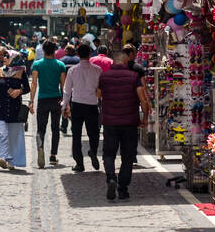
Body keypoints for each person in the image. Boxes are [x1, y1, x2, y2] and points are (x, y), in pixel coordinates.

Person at [97, 49, 150, 201]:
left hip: (110, 122)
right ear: (126, 62)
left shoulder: (104, 76)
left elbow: (98, 95)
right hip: (129, 122)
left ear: (113, 62)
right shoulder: (134, 76)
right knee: (127, 157)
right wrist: (145, 118)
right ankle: (123, 188)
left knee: (108, 154)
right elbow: (143, 100)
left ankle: (111, 178)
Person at [0, 50, 29, 170]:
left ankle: (11, 160)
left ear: (13, 58)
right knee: (2, 134)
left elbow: (27, 88)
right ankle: (1, 156)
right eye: (4, 56)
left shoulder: (21, 72)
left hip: (14, 110)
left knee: (13, 137)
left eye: (7, 56)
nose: (4, 58)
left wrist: (19, 91)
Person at [62, 42, 101, 172]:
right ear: (90, 54)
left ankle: (79, 163)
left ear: (78, 55)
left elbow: (67, 91)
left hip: (77, 104)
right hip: (92, 104)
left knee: (76, 134)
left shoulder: (72, 70)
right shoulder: (97, 70)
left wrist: (64, 106)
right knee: (94, 133)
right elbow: (101, 89)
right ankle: (93, 152)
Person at [29, 39, 67, 168]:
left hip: (42, 99)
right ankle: (53, 155)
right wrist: (66, 103)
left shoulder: (37, 65)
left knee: (41, 129)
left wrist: (31, 101)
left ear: (43, 50)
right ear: (55, 50)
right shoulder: (60, 65)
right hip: (56, 99)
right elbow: (64, 86)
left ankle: (40, 147)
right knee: (55, 128)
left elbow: (34, 84)